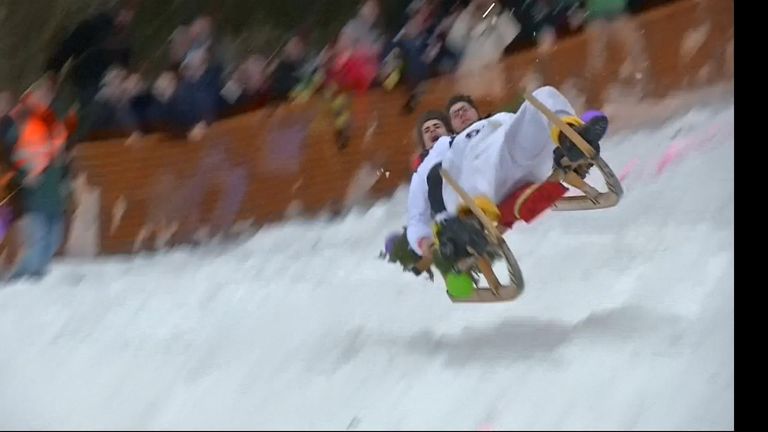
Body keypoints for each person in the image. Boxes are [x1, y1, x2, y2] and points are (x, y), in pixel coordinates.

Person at [0, 76, 76, 281]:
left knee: (54, 239)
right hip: (35, 193)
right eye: (39, 96)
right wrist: (21, 176)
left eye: (47, 95)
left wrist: (66, 179)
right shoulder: (22, 124)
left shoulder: (56, 125)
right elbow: (8, 154)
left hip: (53, 191)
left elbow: (63, 157)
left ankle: (27, 273)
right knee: (39, 240)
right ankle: (27, 277)